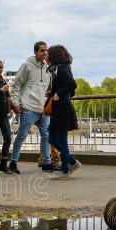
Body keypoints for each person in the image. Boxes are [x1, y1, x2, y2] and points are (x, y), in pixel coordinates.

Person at [9, 41, 53, 174]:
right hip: (28, 107)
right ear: (35, 52)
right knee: (22, 135)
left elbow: (48, 87)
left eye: (46, 50)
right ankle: (13, 162)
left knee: (46, 135)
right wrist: (16, 104)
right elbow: (16, 85)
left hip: (43, 108)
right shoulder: (27, 66)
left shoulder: (48, 68)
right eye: (42, 50)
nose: (45, 53)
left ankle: (46, 163)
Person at [45, 45, 81, 179]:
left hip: (63, 110)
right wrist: (53, 92)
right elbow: (71, 90)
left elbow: (72, 84)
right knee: (53, 139)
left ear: (55, 56)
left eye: (49, 54)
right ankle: (72, 162)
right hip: (59, 109)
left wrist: (58, 93)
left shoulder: (62, 68)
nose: (46, 57)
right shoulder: (57, 69)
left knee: (60, 140)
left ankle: (65, 169)